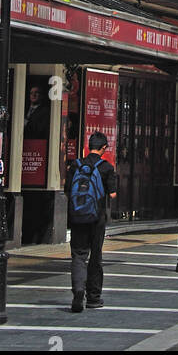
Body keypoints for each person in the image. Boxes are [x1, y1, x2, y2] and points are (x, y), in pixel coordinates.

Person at [64, 131, 117, 311]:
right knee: (95, 256)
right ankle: (93, 298)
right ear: (103, 148)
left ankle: (78, 290)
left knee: (78, 255)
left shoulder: (76, 165)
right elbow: (112, 194)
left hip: (78, 218)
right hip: (97, 218)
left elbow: (68, 190)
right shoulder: (106, 168)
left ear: (88, 146)